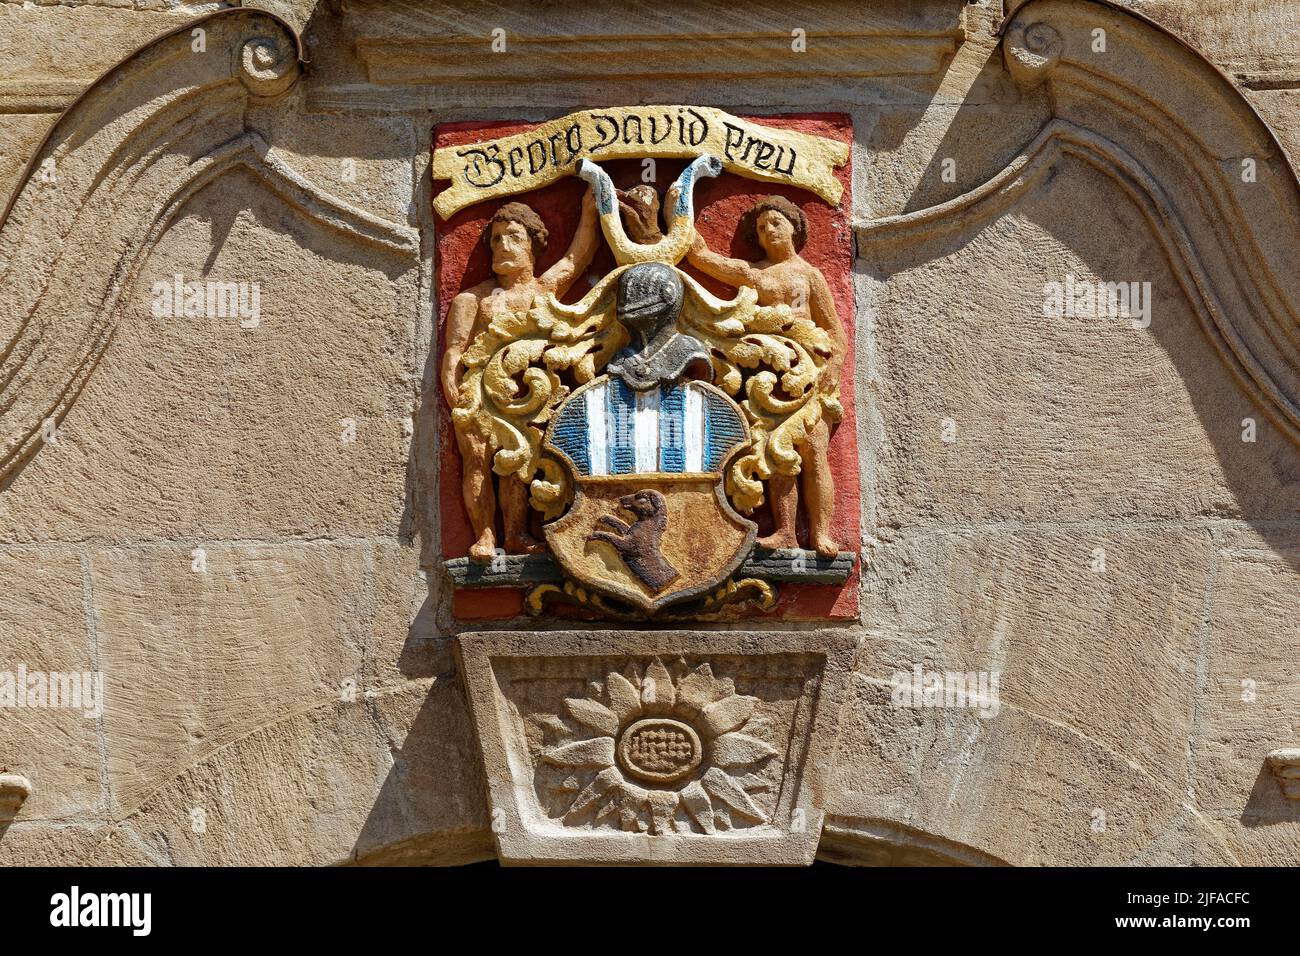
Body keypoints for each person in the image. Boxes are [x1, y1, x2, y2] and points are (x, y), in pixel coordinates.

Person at [683, 194, 846, 556]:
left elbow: (834, 329)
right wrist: (681, 220)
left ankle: (820, 534)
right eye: (760, 227)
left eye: (776, 223)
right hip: (771, 373)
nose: (768, 231)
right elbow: (704, 259)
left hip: (809, 372)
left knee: (815, 451)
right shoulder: (753, 274)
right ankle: (787, 530)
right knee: (776, 451)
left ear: (794, 227)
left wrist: (832, 369)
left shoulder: (810, 274)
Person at [441, 187, 599, 560]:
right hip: (477, 393)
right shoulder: (472, 300)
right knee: (477, 460)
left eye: (514, 237)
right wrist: (454, 392)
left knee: (516, 463)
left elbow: (576, 259)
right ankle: (484, 535)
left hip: (526, 393)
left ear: (533, 244)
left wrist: (591, 211)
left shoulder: (541, 291)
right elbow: (454, 352)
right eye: (496, 239)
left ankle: (514, 533)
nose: (503, 245)